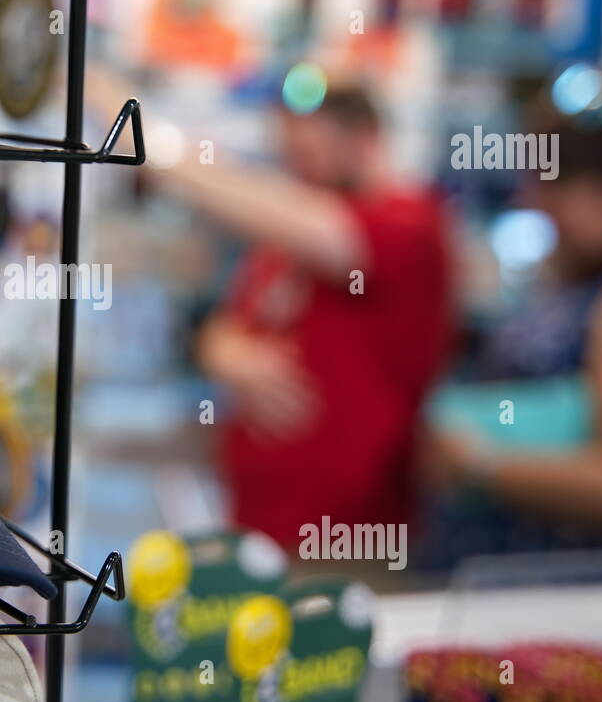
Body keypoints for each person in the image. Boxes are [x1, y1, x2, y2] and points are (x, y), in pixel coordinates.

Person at [147, 82, 453, 550]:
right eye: (290, 151)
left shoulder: (406, 224)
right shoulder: (285, 247)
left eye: (311, 151)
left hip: (350, 534)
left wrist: (145, 142)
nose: (298, 168)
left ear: (365, 139)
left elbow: (296, 220)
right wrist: (226, 354)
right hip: (259, 524)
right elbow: (226, 327)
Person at [423, 94, 602, 565]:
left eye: (552, 187)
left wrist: (480, 465)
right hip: (525, 589)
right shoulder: (594, 287)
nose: (533, 201)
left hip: (585, 601)